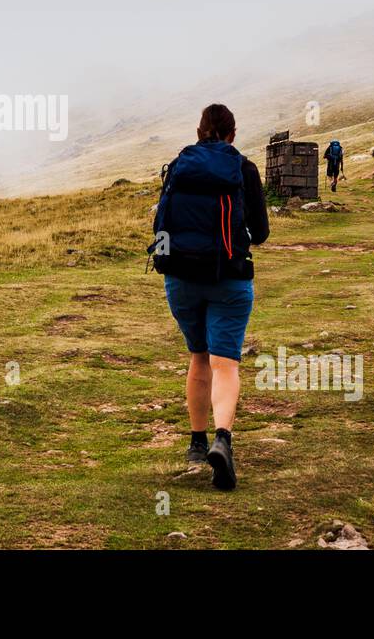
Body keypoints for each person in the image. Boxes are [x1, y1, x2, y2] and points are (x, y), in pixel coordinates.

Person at [149, 104, 269, 490]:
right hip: (229, 278)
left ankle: (196, 443)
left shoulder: (179, 165)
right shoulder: (244, 168)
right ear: (232, 134)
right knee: (225, 364)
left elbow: (160, 225)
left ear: (199, 131)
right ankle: (223, 438)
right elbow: (261, 232)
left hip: (181, 279)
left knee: (198, 356)